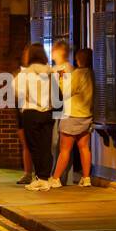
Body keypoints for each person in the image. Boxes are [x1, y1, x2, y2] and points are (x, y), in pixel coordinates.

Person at [42, 48, 94, 189]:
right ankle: (86, 178)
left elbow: (66, 91)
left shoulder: (77, 73)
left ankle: (56, 178)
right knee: (84, 147)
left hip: (72, 114)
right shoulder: (92, 73)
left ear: (79, 59)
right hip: (86, 114)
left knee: (65, 149)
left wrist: (59, 80)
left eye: (77, 59)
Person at [17, 44, 55, 189]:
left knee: (34, 146)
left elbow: (18, 92)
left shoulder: (25, 74)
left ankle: (39, 177)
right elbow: (58, 93)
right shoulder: (50, 73)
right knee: (45, 146)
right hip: (47, 112)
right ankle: (45, 177)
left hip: (31, 112)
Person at [49, 39, 73, 184]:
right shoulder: (54, 69)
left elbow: (67, 90)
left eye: (54, 50)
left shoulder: (67, 69)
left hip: (64, 108)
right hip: (56, 108)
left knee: (59, 143)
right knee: (54, 143)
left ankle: (60, 176)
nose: (52, 52)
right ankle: (57, 174)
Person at [13, 44, 37, 184]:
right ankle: (28, 173)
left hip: (33, 111)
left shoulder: (37, 73)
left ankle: (38, 174)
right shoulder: (21, 74)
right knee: (26, 145)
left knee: (35, 145)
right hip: (22, 113)